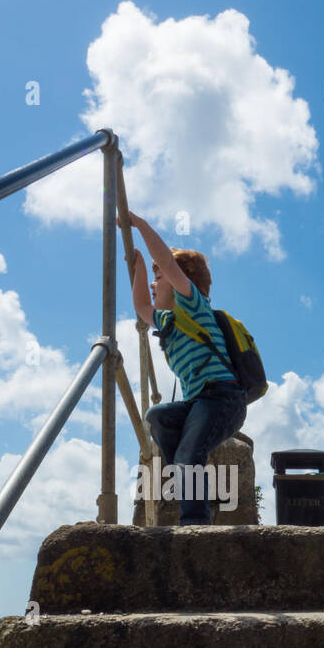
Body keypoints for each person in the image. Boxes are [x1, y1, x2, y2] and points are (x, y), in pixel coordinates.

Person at [127, 212, 247, 526]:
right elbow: (142, 307)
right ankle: (185, 465)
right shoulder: (166, 322)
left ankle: (195, 523)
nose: (154, 285)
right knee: (157, 416)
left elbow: (167, 261)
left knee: (187, 454)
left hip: (223, 399)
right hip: (198, 403)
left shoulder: (192, 304)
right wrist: (139, 267)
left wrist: (139, 225)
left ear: (183, 282)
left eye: (159, 279)